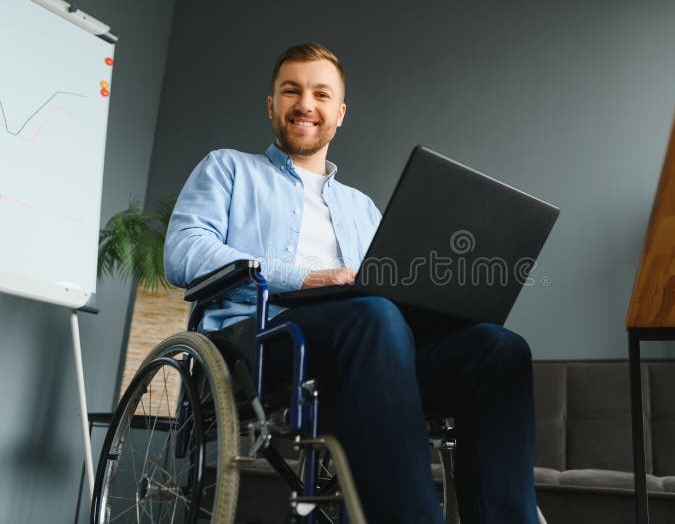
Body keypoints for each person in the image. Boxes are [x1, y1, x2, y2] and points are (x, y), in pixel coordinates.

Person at [165, 42, 539, 524]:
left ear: (339, 114)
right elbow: (184, 252)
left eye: (321, 94)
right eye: (291, 91)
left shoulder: (361, 208)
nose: (305, 104)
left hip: (369, 346)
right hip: (260, 340)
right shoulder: (228, 168)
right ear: (272, 104)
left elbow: (390, 294)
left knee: (498, 348)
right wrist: (304, 276)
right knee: (374, 315)